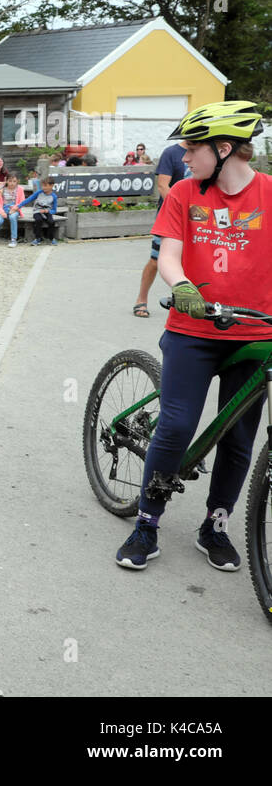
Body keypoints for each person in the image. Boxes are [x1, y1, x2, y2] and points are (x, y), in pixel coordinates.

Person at [115, 101, 272, 572]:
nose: (184, 158)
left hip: (254, 331)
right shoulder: (185, 193)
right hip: (195, 329)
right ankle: (147, 521)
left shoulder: (269, 193)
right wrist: (180, 284)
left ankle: (215, 524)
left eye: (191, 149)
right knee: (178, 425)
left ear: (224, 150)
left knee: (239, 435)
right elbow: (169, 255)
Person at [132, 140, 191, 318]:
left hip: (196, 217)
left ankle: (183, 300)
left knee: (190, 261)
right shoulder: (171, 153)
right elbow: (163, 186)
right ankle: (141, 298)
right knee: (156, 259)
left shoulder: (203, 150)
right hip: (170, 215)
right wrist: (179, 209)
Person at [18, 176, 60, 245]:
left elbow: (54, 210)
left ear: (51, 185)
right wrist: (19, 206)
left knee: (51, 222)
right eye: (42, 186)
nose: (43, 188)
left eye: (45, 186)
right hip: (37, 211)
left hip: (47, 212)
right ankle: (38, 238)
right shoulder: (39, 192)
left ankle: (51, 238)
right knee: (38, 220)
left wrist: (48, 211)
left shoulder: (54, 196)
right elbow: (29, 199)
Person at [0, 175, 25, 247]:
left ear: (17, 182)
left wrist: (15, 208)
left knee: (12, 218)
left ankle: (13, 239)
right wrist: (2, 212)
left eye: (14, 181)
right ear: (6, 181)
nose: (12, 183)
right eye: (10, 181)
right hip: (3, 209)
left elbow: (22, 202)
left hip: (15, 209)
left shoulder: (20, 190)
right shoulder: (1, 191)